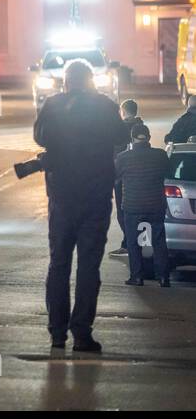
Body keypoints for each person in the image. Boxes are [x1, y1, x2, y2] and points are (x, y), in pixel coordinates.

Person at [32, 59, 130, 354]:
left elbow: (39, 136)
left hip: (61, 198)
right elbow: (121, 137)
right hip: (95, 198)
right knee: (89, 268)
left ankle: (57, 333)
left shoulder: (53, 104)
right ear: (90, 80)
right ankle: (82, 334)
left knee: (58, 264)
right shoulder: (104, 105)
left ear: (65, 81)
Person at [113, 122, 171, 288]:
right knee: (159, 241)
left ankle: (137, 277)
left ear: (132, 138)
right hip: (155, 205)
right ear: (149, 138)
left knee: (133, 242)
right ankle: (163, 277)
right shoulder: (160, 155)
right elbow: (168, 172)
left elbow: (115, 177)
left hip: (133, 206)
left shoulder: (123, 157)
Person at [111, 99, 143, 253]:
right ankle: (131, 242)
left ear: (122, 111)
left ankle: (129, 244)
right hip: (139, 176)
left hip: (122, 178)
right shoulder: (142, 127)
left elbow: (115, 153)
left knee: (123, 212)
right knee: (135, 211)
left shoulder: (120, 130)